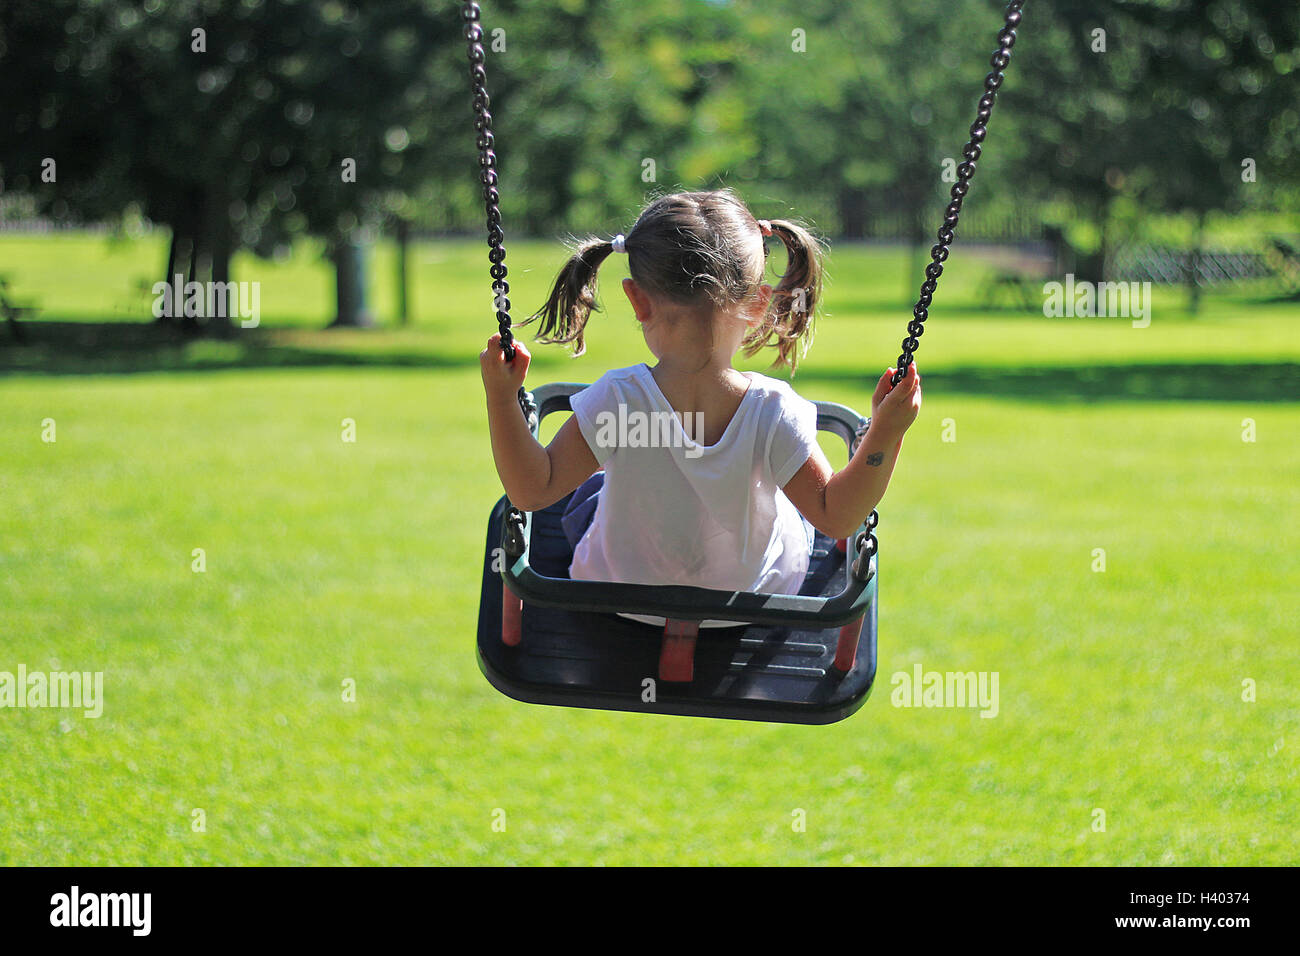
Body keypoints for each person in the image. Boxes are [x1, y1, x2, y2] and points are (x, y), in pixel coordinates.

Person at [480, 189, 920, 624]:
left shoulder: (617, 400)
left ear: (637, 299)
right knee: (797, 515)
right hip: (748, 602)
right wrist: (887, 431)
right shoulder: (773, 410)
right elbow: (838, 517)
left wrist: (501, 396)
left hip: (620, 594)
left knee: (585, 497)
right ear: (758, 304)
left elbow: (531, 492)